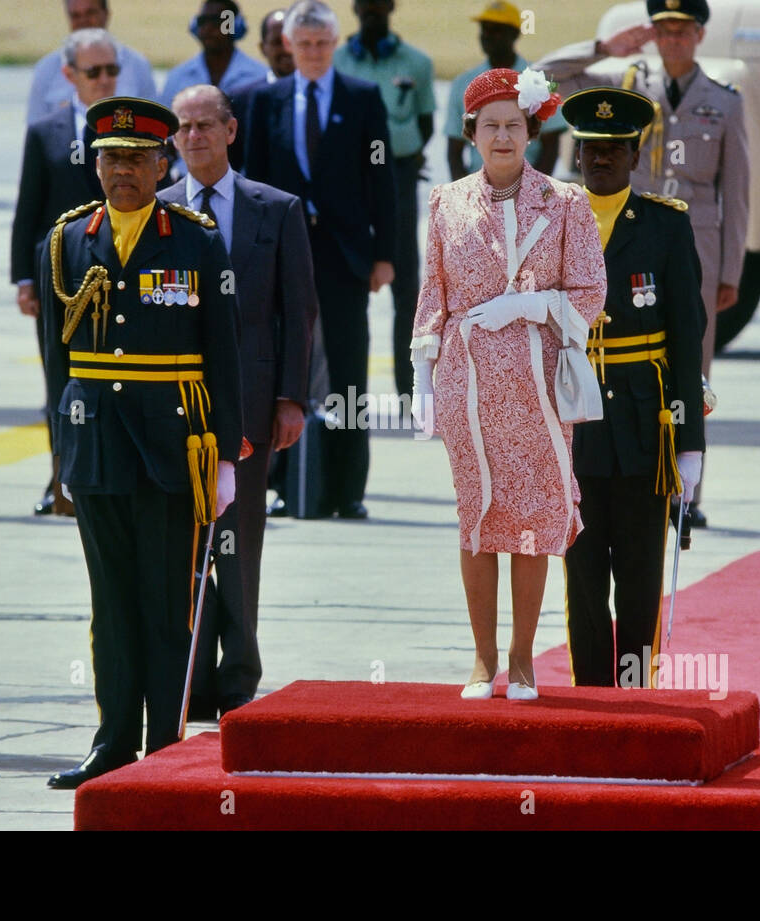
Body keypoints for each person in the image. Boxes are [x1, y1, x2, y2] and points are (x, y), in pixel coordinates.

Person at [41, 96, 242, 789]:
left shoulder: (194, 239)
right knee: (111, 602)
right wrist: (58, 458)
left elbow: (223, 353)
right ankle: (113, 741)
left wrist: (223, 452)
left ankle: (166, 744)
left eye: (136, 158)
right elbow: (54, 364)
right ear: (94, 163)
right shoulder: (67, 240)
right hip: (95, 445)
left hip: (171, 447)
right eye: (110, 157)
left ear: (163, 163)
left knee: (166, 604)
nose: (122, 170)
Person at [411, 68, 605, 700]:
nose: (502, 136)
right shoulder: (446, 203)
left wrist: (528, 306)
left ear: (532, 132)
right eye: (489, 126)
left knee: (532, 517)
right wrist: (421, 376)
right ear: (471, 134)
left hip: (539, 384)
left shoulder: (567, 202)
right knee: (478, 516)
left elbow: (590, 292)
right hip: (466, 386)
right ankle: (481, 659)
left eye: (513, 125)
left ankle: (522, 660)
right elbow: (432, 297)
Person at [534, 0, 748, 525]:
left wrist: (730, 270)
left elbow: (737, 189)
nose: (672, 39)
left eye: (682, 30)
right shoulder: (625, 81)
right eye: (663, 29)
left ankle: (685, 487)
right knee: (611, 352)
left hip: (693, 240)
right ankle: (601, 470)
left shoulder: (723, 100)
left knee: (690, 362)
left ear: (699, 34)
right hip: (617, 233)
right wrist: (605, 47)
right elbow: (538, 79)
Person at [160, 84, 316, 717]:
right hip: (174, 406)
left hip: (250, 405)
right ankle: (189, 674)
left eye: (204, 125)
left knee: (236, 540)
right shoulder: (158, 207)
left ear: (230, 131)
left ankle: (239, 673)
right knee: (181, 542)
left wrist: (292, 398)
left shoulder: (274, 209)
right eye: (182, 128)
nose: (193, 136)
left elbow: (298, 312)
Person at [559, 87, 704, 688]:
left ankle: (635, 694)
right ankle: (593, 699)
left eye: (614, 149)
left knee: (641, 572)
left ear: (635, 154)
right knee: (583, 572)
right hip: (576, 416)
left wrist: (692, 442)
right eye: (591, 149)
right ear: (576, 154)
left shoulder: (665, 227)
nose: (601, 160)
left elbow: (687, 337)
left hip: (647, 422)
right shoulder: (553, 222)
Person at [244, 0, 395, 520]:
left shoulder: (362, 98)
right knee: (287, 368)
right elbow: (253, 184)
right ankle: (289, 482)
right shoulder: (266, 102)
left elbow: (383, 180)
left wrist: (384, 254)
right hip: (284, 258)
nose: (311, 51)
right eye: (302, 43)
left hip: (344, 256)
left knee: (349, 373)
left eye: (321, 43)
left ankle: (347, 487)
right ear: (289, 45)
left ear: (334, 44)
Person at [11, 27, 116, 517]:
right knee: (60, 381)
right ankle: (62, 481)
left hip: (118, 274)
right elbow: (28, 207)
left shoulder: (129, 130)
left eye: (111, 70)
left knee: (114, 377)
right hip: (58, 279)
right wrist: (24, 280)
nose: (104, 79)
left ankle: (109, 475)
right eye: (93, 71)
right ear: (69, 74)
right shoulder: (46, 131)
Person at [331, 0, 432, 404]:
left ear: (391, 6)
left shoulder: (418, 63)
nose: (372, 8)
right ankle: (344, 390)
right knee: (347, 280)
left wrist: (397, 158)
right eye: (364, 2)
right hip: (349, 180)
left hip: (399, 178)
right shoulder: (335, 59)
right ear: (355, 7)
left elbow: (425, 122)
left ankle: (408, 392)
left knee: (406, 284)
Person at [445, 1, 562, 181]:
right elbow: (454, 150)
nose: (488, 36)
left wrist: (533, 193)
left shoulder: (539, 81)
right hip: (479, 186)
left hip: (528, 183)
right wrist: (464, 196)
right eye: (484, 29)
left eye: (497, 30)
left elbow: (551, 147)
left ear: (514, 34)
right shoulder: (463, 83)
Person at [26, 0, 154, 126]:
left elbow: (152, 126)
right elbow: (37, 130)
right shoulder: (46, 69)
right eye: (76, 16)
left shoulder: (138, 66)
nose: (83, 21)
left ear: (106, 14)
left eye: (90, 13)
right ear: (69, 74)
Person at [158, 1, 266, 109]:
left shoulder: (259, 76)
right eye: (202, 21)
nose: (208, 28)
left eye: (217, 21)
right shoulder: (178, 77)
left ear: (235, 26)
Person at [226, 8, 295, 174]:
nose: (286, 50)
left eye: (291, 41)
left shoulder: (321, 95)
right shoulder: (240, 100)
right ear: (263, 48)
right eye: (277, 42)